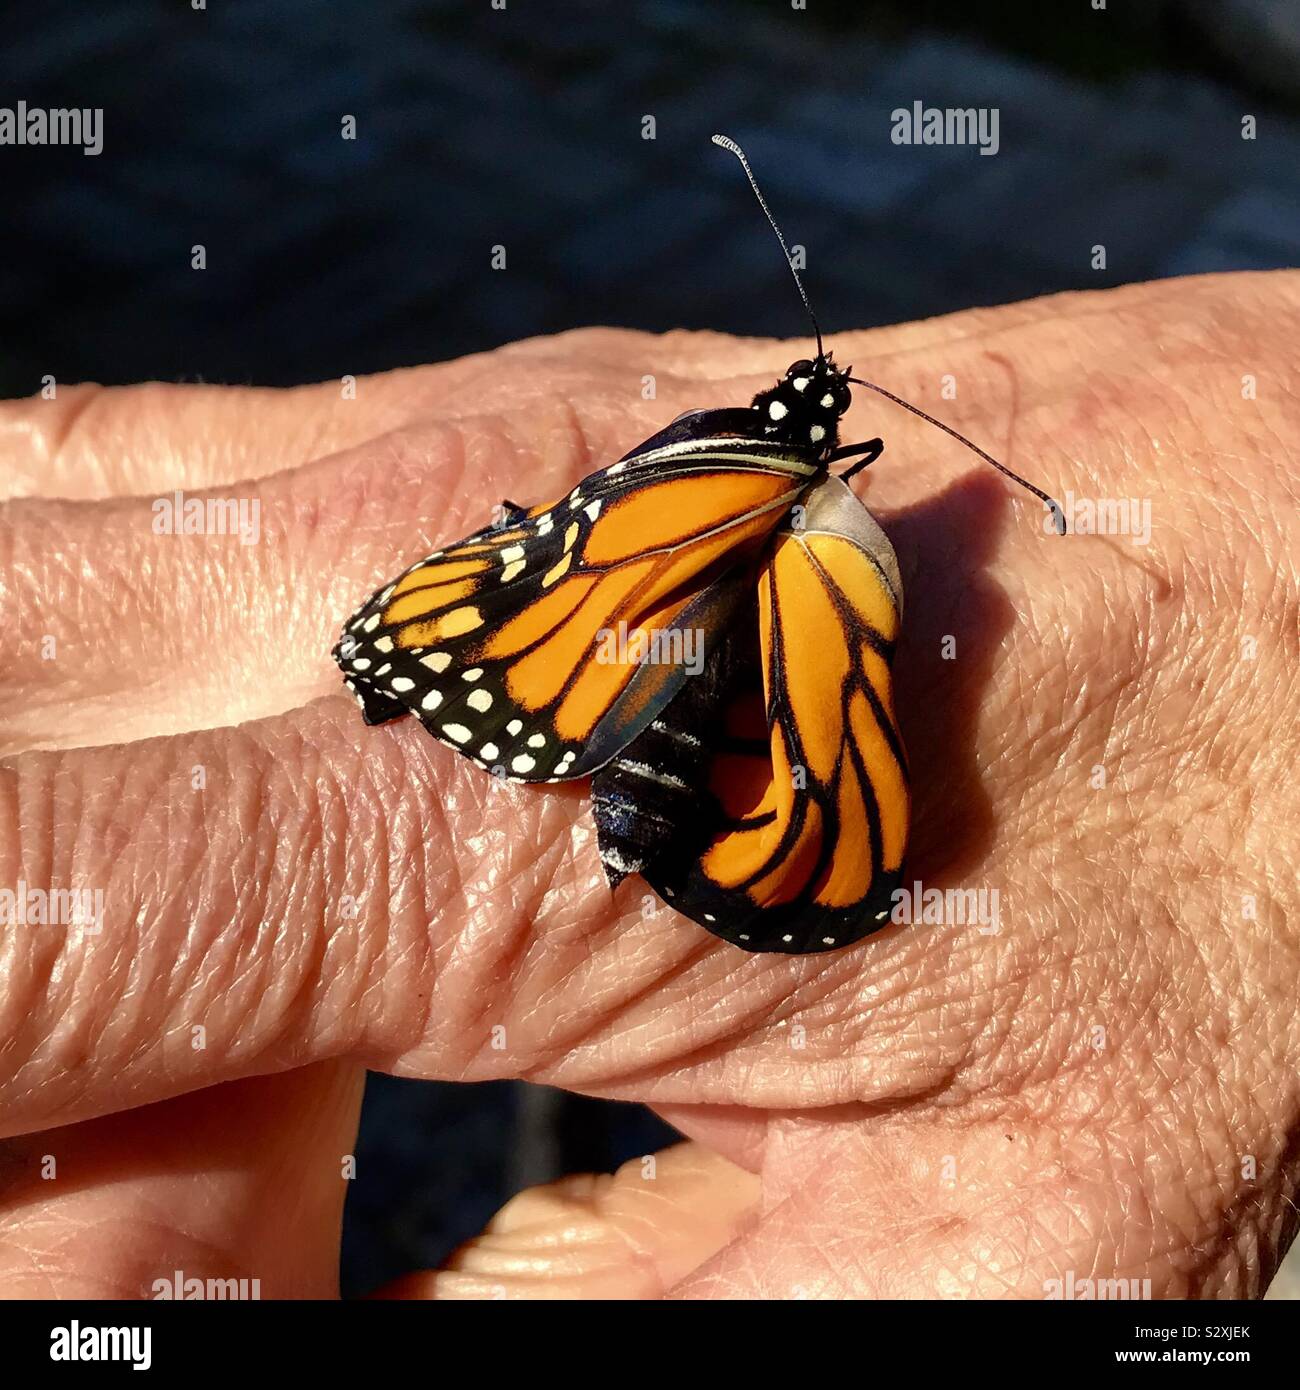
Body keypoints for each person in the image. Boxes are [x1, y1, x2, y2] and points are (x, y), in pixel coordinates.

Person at [0, 270, 1295, 1299]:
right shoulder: (818, 524)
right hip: (718, 725)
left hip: (617, 680)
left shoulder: (734, 481)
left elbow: (592, 548)